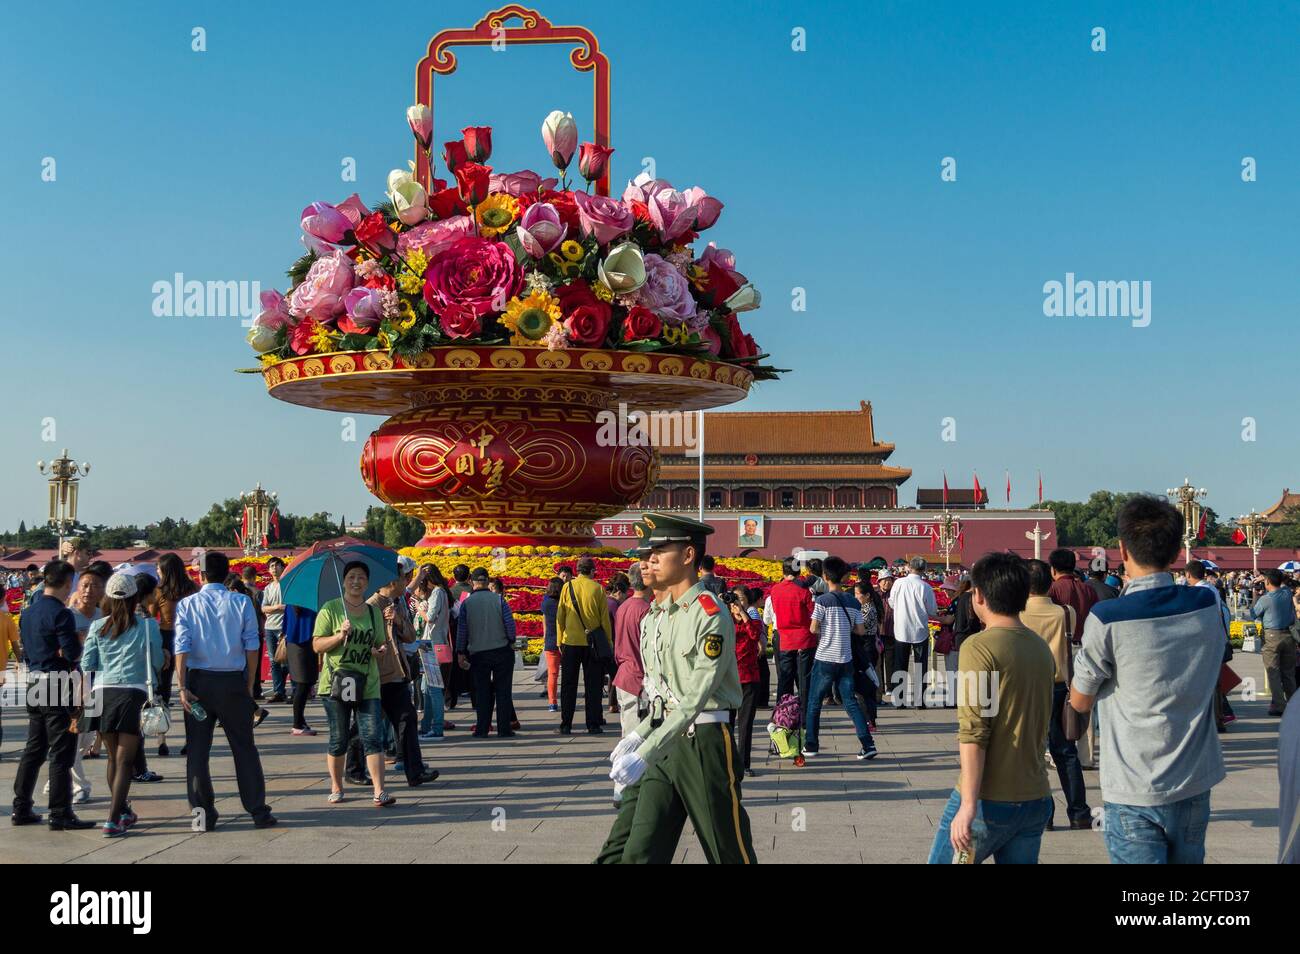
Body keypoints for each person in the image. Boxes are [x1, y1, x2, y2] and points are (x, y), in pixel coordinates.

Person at [1069, 495, 1226, 864]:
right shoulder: (1206, 607)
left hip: (1133, 785)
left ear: (1122, 549)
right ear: (1175, 552)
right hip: (1194, 778)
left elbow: (1080, 700)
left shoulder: (1107, 617)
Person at [597, 513, 755, 864]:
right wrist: (638, 737)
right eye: (647, 554)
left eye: (659, 551)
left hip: (704, 742)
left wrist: (644, 750)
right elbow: (659, 693)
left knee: (725, 847)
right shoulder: (656, 615)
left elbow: (696, 696)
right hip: (662, 743)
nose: (648, 561)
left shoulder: (708, 614)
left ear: (687, 556)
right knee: (640, 849)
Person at [928, 552, 1055, 864]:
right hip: (1034, 796)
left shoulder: (979, 647)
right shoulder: (1039, 647)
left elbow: (973, 731)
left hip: (989, 800)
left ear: (979, 595)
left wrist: (968, 805)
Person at [174, 550, 277, 830]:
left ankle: (202, 816)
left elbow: (181, 647)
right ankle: (258, 811)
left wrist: (182, 686)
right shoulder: (242, 602)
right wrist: (249, 683)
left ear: (201, 574)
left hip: (198, 683)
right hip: (233, 681)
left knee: (197, 751)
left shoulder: (187, 605)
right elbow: (252, 644)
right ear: (226, 573)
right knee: (244, 748)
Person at [11, 560, 94, 829]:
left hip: (34, 680)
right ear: (68, 582)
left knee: (34, 749)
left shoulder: (29, 612)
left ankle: (21, 806)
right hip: (58, 682)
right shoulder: (62, 614)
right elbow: (72, 654)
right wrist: (76, 643)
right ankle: (60, 812)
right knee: (62, 750)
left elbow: (27, 649)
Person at [81, 572, 165, 837]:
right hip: (133, 693)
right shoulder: (147, 625)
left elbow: (87, 664)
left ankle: (122, 812)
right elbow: (158, 663)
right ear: (134, 598)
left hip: (102, 693)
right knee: (125, 760)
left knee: (112, 758)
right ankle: (113, 818)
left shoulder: (98, 626)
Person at [313, 560, 394, 806]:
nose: (356, 582)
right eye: (351, 577)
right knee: (338, 738)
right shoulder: (331, 609)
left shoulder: (372, 612)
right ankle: (336, 786)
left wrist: (379, 650)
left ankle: (379, 790)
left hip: (367, 682)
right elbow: (317, 645)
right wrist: (339, 635)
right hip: (335, 683)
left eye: (361, 578)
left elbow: (381, 644)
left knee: (372, 736)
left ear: (367, 583)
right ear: (345, 581)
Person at [1020, 559, 1089, 830]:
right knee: (1065, 752)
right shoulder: (1066, 612)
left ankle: (1044, 813)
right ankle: (1078, 811)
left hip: (1027, 689)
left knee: (1034, 752)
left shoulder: (1017, 613)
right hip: (1060, 687)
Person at [368, 564, 437, 786]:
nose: (406, 584)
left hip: (396, 672)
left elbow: (408, 636)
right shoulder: (370, 607)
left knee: (407, 718)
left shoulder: (396, 604)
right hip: (376, 675)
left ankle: (414, 771)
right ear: (392, 582)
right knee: (366, 725)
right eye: (402, 579)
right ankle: (354, 768)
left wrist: (397, 620)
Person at [802, 556, 876, 761]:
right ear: (844, 576)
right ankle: (867, 744)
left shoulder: (822, 600)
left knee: (814, 702)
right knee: (850, 702)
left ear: (825, 576)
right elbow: (860, 631)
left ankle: (811, 744)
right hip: (845, 659)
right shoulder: (853, 601)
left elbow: (814, 628)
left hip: (825, 657)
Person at [611, 545, 654, 804]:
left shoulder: (625, 605)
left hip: (624, 674)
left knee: (628, 733)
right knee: (634, 737)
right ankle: (623, 788)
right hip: (638, 679)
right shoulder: (645, 610)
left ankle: (627, 787)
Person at [455, 567, 517, 738]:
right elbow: (510, 625)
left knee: (482, 692)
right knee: (503, 691)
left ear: (471, 581)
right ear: (488, 580)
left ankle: (482, 729)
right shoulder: (499, 600)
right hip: (501, 651)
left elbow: (463, 630)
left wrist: (460, 652)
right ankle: (504, 729)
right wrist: (511, 641)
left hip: (478, 653)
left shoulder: (467, 603)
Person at [555, 556, 612, 735]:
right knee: (593, 685)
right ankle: (593, 724)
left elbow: (560, 617)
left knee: (568, 685)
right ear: (592, 571)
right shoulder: (598, 589)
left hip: (570, 642)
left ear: (577, 570)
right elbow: (605, 620)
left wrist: (559, 640)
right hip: (592, 644)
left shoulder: (567, 587)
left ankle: (566, 724)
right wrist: (608, 642)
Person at [155, 553, 197, 757]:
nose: (157, 571)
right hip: (189, 638)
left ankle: (162, 739)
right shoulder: (192, 589)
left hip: (165, 637)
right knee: (188, 688)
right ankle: (192, 739)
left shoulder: (159, 592)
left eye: (159, 568)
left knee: (162, 690)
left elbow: (150, 615)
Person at [889, 557, 938, 708]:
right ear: (924, 570)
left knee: (900, 665)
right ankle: (920, 701)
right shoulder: (925, 587)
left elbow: (891, 602)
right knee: (920, 666)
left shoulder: (898, 583)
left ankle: (899, 700)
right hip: (920, 631)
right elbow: (932, 610)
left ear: (909, 567)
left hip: (901, 630)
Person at [769, 559, 815, 704]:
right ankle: (805, 716)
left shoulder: (775, 589)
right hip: (804, 639)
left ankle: (782, 713)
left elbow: (776, 611)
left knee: (785, 678)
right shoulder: (803, 590)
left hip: (785, 639)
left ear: (783, 571)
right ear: (798, 571)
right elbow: (811, 613)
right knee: (804, 679)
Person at [1252, 569, 1297, 715]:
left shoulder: (1266, 599)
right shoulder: (1287, 593)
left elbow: (1254, 613)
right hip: (1288, 635)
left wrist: (1254, 594)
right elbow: (1283, 584)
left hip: (1272, 636)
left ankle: (1279, 705)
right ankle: (1293, 704)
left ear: (1267, 582)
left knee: (1274, 673)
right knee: (1288, 673)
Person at [729, 589, 763, 776]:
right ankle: (728, 762)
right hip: (729, 679)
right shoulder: (724, 621)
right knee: (727, 724)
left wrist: (743, 613)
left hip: (749, 678)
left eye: (740, 599)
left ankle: (744, 763)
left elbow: (754, 635)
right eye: (734, 599)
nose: (736, 603)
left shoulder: (753, 621)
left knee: (745, 724)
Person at [1046, 549, 1098, 648]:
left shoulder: (1051, 589)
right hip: (1085, 645)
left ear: (1053, 569)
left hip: (1061, 646)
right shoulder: (1089, 589)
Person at [282, 604, 318, 735]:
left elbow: (285, 625)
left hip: (296, 644)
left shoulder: (291, 603)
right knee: (302, 685)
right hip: (302, 645)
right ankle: (297, 724)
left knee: (304, 684)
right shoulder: (309, 605)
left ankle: (300, 721)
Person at [260, 557, 288, 704]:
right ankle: (279, 692)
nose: (274, 568)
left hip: (284, 626)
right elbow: (264, 608)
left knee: (287, 661)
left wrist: (273, 608)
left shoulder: (287, 585)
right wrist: (278, 607)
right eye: (271, 566)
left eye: (277, 565)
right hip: (270, 627)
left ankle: (292, 689)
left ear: (283, 568)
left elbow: (290, 606)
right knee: (273, 661)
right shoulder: (268, 588)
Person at [539, 577, 562, 712]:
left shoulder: (545, 604)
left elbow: (545, 623)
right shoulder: (564, 603)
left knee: (553, 674)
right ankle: (566, 699)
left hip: (550, 642)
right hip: (565, 641)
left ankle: (552, 702)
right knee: (569, 675)